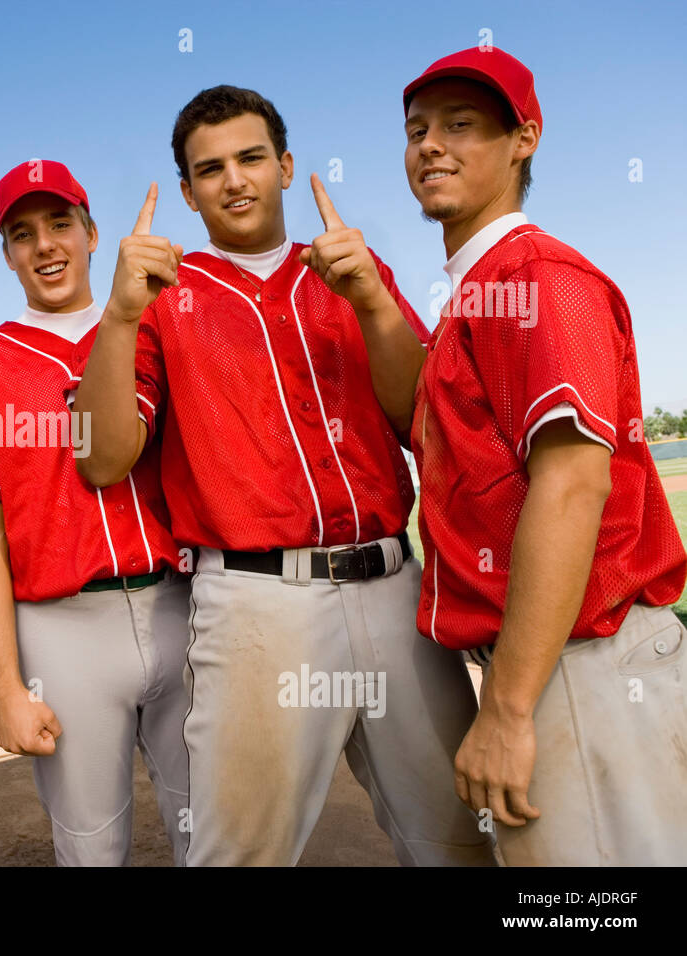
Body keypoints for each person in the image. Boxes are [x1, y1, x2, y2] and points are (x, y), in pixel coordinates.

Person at [72, 87, 494, 866]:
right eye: (210, 169)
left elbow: (423, 426)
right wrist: (121, 315)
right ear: (191, 189)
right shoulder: (165, 299)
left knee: (460, 842)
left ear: (287, 166)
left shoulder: (355, 270)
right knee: (241, 854)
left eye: (251, 158)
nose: (234, 180)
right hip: (258, 603)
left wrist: (371, 302)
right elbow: (100, 455)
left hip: (396, 588)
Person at [385, 47, 686, 864]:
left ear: (525, 139)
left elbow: (571, 486)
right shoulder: (477, 287)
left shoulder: (536, 275)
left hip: (581, 668)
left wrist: (509, 710)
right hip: (554, 660)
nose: (431, 146)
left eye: (461, 126)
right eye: (417, 130)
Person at [0, 161, 190, 866]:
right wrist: (4, 688)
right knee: (89, 844)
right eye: (22, 234)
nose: (44, 245)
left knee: (214, 827)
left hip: (181, 604)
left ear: (91, 232)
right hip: (62, 627)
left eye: (59, 224)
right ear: (7, 254)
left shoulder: (155, 327)